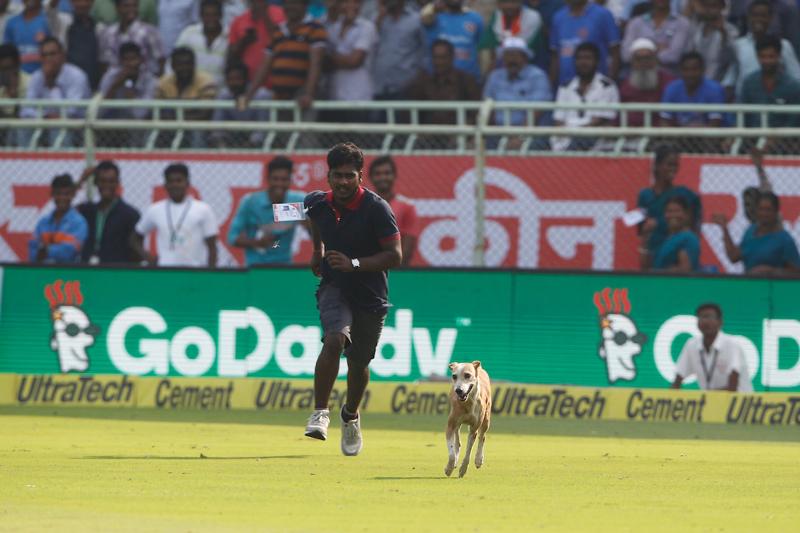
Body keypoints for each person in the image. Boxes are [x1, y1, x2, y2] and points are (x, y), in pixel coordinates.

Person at [302, 142, 402, 456]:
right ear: (328, 175)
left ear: (360, 177)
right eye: (337, 175)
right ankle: (320, 414)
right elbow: (313, 217)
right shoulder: (317, 202)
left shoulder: (377, 208)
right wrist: (317, 250)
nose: (343, 182)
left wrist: (355, 263)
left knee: (359, 363)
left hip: (371, 294)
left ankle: (351, 415)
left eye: (350, 176)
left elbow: (395, 256)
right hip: (335, 287)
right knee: (334, 340)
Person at [241, 0, 326, 108]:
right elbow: (265, 65)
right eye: (287, 3)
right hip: (279, 98)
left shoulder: (315, 29)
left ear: (305, 5)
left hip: (302, 99)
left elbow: (316, 64)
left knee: (305, 126)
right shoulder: (278, 31)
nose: (290, 7)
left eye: (295, 3)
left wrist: (308, 94)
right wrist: (249, 94)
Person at [131, 163, 219, 268]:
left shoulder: (203, 209)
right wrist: (149, 258)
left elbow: (212, 247)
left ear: (187, 183)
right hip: (165, 271)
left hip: (194, 272)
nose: (175, 185)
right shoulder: (155, 209)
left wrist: (210, 274)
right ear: (165, 185)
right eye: (170, 181)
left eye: (179, 181)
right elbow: (134, 238)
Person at [227, 156, 306, 266]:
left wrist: (310, 224)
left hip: (285, 267)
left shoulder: (297, 201)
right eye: (275, 179)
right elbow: (232, 237)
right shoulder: (250, 202)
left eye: (284, 179)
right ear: (267, 179)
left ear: (290, 180)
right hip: (256, 267)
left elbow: (314, 231)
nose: (280, 184)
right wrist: (257, 243)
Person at [19, 37, 91, 147]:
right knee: (23, 127)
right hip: (44, 123)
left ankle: (64, 163)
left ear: (63, 55)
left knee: (58, 129)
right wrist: (45, 117)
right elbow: (25, 110)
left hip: (76, 127)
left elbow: (70, 112)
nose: (48, 59)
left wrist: (50, 84)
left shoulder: (76, 76)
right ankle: (23, 162)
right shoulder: (37, 77)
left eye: (52, 54)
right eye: (44, 55)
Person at [723, 0, 800, 98]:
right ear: (748, 17)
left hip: (777, 102)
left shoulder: (784, 45)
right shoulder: (738, 45)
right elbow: (731, 77)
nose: (758, 19)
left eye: (763, 15)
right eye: (755, 15)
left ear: (770, 18)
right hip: (746, 103)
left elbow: (796, 76)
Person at [637, 144, 702, 259]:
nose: (673, 169)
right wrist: (647, 228)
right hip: (653, 251)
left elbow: (695, 223)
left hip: (677, 252)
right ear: (657, 166)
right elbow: (640, 229)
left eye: (676, 165)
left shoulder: (684, 194)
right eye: (669, 165)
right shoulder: (645, 195)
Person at [551, 42, 619, 152]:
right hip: (565, 137)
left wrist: (576, 132)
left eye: (588, 58)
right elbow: (558, 120)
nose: (583, 62)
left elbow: (601, 120)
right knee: (537, 141)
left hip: (594, 138)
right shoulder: (565, 87)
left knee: (582, 140)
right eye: (580, 58)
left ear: (597, 62)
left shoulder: (607, 86)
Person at [713, 191, 800, 275]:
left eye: (768, 209)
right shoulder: (750, 232)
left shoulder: (784, 239)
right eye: (761, 209)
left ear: (776, 212)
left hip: (772, 287)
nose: (764, 213)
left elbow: (796, 272)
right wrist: (724, 228)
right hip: (750, 285)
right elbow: (733, 257)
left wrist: (772, 271)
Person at [671, 303, 753, 391]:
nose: (705, 321)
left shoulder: (732, 345)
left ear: (720, 322)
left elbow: (733, 387)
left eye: (709, 317)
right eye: (701, 317)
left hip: (740, 402)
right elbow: (678, 379)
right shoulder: (691, 345)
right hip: (710, 402)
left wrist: (706, 397)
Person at [76, 160, 141, 264]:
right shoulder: (86, 210)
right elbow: (64, 206)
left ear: (118, 183)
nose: (107, 185)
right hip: (88, 270)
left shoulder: (130, 214)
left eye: (111, 181)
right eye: (102, 181)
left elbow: (136, 253)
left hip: (116, 273)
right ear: (95, 182)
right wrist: (81, 180)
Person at [408, 38, 480, 124]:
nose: (439, 62)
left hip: (459, 134)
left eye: (443, 58)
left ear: (452, 57)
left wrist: (462, 131)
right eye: (435, 57)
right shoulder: (424, 82)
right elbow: (411, 113)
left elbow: (476, 111)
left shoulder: (466, 81)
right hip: (429, 134)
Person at [549, 0, 620, 87]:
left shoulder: (603, 15)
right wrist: (552, 85)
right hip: (565, 87)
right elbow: (555, 56)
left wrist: (610, 82)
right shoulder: (558, 17)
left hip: (597, 87)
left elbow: (615, 51)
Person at [484, 37, 552, 127]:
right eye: (508, 55)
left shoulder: (537, 76)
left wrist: (519, 137)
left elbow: (537, 110)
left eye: (515, 55)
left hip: (529, 132)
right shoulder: (495, 76)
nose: (511, 60)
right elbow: (487, 106)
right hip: (498, 131)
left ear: (525, 58)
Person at [739, 36, 800, 130]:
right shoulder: (749, 83)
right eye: (762, 56)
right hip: (751, 139)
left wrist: (777, 138)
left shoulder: (793, 86)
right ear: (757, 56)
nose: (766, 61)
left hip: (784, 142)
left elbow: (794, 121)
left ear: (779, 56)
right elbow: (742, 116)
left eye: (771, 57)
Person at [367, 155, 418, 265]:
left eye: (387, 173)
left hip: (395, 270)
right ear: (370, 177)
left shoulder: (407, 206)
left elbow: (408, 246)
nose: (383, 177)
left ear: (394, 176)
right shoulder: (361, 205)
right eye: (378, 174)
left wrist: (398, 270)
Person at [372, 0, 425, 101]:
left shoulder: (416, 20)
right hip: (379, 87)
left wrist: (417, 80)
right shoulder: (377, 18)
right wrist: (378, 20)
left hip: (405, 88)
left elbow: (425, 52)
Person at [28, 173, 88, 263]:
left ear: (72, 195)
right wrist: (53, 250)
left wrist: (46, 250)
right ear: (52, 194)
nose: (62, 198)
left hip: (69, 274)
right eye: (58, 194)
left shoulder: (79, 222)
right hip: (43, 273)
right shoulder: (43, 222)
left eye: (66, 194)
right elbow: (32, 252)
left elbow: (69, 253)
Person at [326, 0, 377, 104]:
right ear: (339, 5)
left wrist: (329, 57)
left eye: (355, 2)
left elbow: (354, 61)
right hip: (333, 96)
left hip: (358, 97)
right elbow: (324, 65)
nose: (351, 6)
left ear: (361, 5)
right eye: (346, 2)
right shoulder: (333, 28)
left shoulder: (367, 27)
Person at [210, 62, 271, 148]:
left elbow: (263, 128)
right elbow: (217, 126)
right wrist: (223, 147)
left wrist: (249, 145)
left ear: (246, 79)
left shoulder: (261, 95)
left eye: (238, 79)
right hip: (231, 140)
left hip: (258, 143)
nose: (234, 83)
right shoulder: (223, 95)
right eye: (230, 79)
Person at [226, 0, 286, 87]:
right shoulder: (239, 21)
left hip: (276, 82)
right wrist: (244, 41)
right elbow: (231, 54)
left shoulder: (281, 14)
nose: (256, 3)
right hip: (246, 84)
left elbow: (282, 42)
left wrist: (265, 15)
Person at [621, 0, 690, 74]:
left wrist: (642, 51)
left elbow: (674, 56)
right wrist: (658, 47)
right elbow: (626, 55)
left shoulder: (682, 23)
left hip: (669, 77)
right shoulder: (636, 23)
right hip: (637, 77)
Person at [660, 52, 726, 128]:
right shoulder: (672, 88)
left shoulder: (714, 89)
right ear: (680, 70)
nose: (690, 74)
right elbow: (664, 121)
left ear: (702, 70)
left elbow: (715, 124)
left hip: (709, 136)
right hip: (680, 136)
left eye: (695, 69)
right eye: (686, 69)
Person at [99, 0, 165, 76]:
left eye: (134, 6)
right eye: (126, 6)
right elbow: (103, 62)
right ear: (117, 8)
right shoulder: (108, 33)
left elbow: (161, 60)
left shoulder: (149, 32)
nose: (131, 9)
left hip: (143, 83)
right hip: (115, 83)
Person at [421, 0, 484, 80]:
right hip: (438, 82)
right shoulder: (432, 18)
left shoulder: (476, 19)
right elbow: (423, 15)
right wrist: (434, 7)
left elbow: (481, 50)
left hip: (469, 81)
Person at [619, 38, 674, 128]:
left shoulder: (669, 82)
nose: (643, 62)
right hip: (629, 132)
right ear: (632, 62)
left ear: (655, 59)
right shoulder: (625, 84)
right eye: (638, 59)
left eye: (647, 58)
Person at [173, 0, 228, 87]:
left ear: (221, 15)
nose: (211, 19)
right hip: (194, 94)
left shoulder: (229, 36)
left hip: (220, 94)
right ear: (201, 16)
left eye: (215, 15)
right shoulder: (189, 33)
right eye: (207, 15)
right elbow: (175, 60)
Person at [98, 41, 157, 119]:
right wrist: (115, 86)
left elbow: (139, 114)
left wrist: (128, 87)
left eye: (133, 59)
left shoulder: (150, 80)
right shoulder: (110, 76)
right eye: (126, 59)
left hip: (140, 128)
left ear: (141, 60)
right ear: (120, 61)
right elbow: (98, 112)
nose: (130, 64)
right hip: (114, 125)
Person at [640, 195, 700, 272]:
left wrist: (656, 273)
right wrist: (645, 237)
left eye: (677, 211)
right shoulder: (667, 239)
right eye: (669, 211)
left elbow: (685, 270)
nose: (673, 215)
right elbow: (645, 268)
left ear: (686, 214)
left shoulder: (687, 238)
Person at [478, 0, 543, 70]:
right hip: (500, 67)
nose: (509, 6)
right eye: (504, 2)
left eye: (513, 2)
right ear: (498, 4)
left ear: (521, 2)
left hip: (528, 66)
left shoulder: (532, 17)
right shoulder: (497, 15)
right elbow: (488, 43)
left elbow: (523, 48)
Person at [685, 0, 738, 83]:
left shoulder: (731, 30)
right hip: (696, 82)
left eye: (713, 6)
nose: (709, 9)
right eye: (706, 5)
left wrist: (723, 32)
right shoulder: (696, 28)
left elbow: (730, 58)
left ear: (722, 7)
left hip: (719, 82)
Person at [3, 0, 50, 73]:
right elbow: (6, 53)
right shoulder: (11, 23)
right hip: (18, 76)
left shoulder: (48, 21)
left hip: (42, 75)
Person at [0, 44, 29, 123]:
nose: (4, 74)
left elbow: (25, 120)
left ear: (18, 64)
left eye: (7, 69)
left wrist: (14, 97)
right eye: (1, 70)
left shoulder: (29, 83)